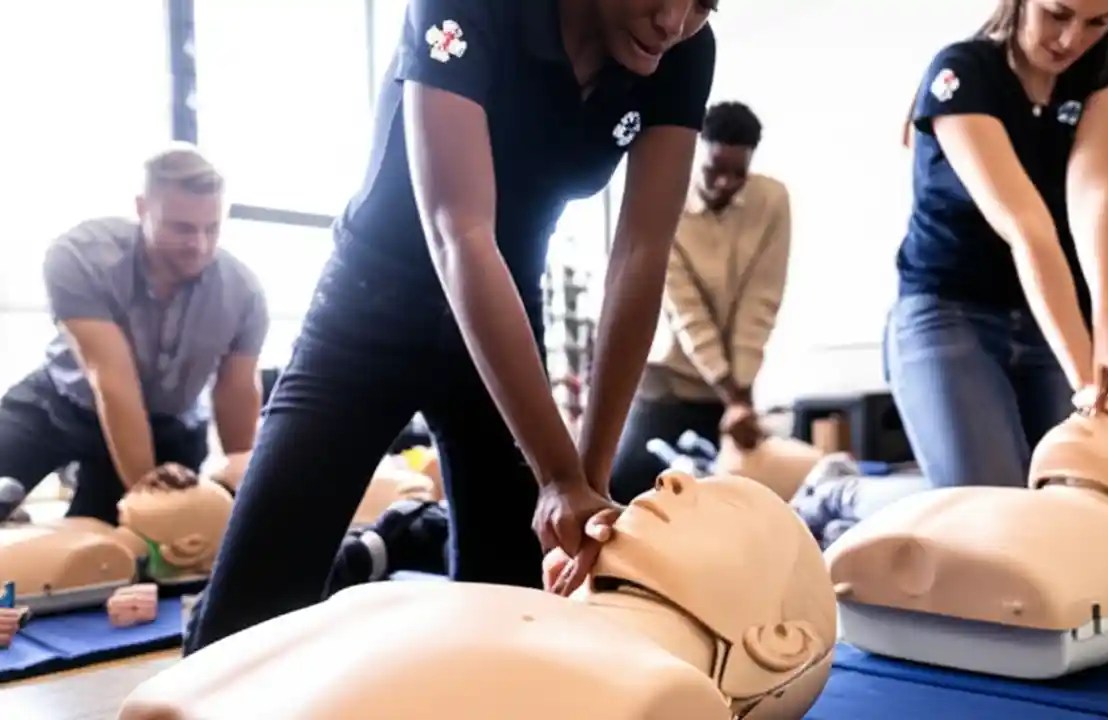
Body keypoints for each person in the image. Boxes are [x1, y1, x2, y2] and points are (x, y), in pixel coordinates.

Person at [183, 0, 718, 654]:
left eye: (705, 3)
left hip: (504, 326)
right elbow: (459, 232)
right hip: (368, 310)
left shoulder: (687, 53)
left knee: (517, 616)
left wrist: (589, 479)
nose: (674, 21)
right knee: (245, 621)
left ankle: (413, 536)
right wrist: (555, 475)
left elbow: (640, 254)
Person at [884, 0, 1108, 491]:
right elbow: (1029, 229)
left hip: (1042, 312)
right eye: (1057, 14)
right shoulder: (960, 73)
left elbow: (1094, 190)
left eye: (1098, 22)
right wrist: (1090, 387)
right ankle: (846, 492)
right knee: (994, 506)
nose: (1071, 40)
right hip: (947, 311)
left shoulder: (1102, 64)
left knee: (1075, 490)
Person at [0, 145, 267, 525]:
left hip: (168, 429)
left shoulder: (244, 293)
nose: (199, 245)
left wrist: (249, 494)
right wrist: (145, 496)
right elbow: (111, 379)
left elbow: (236, 391)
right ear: (142, 209)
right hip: (57, 404)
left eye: (212, 229)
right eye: (182, 228)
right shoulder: (79, 255)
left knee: (119, 554)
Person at [609, 101, 790, 504]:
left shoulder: (772, 201)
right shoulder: (665, 200)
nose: (725, 182)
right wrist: (737, 399)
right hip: (667, 383)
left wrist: (738, 398)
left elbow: (761, 301)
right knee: (627, 488)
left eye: (737, 173)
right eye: (714, 170)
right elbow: (686, 312)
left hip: (730, 391)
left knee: (716, 505)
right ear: (697, 154)